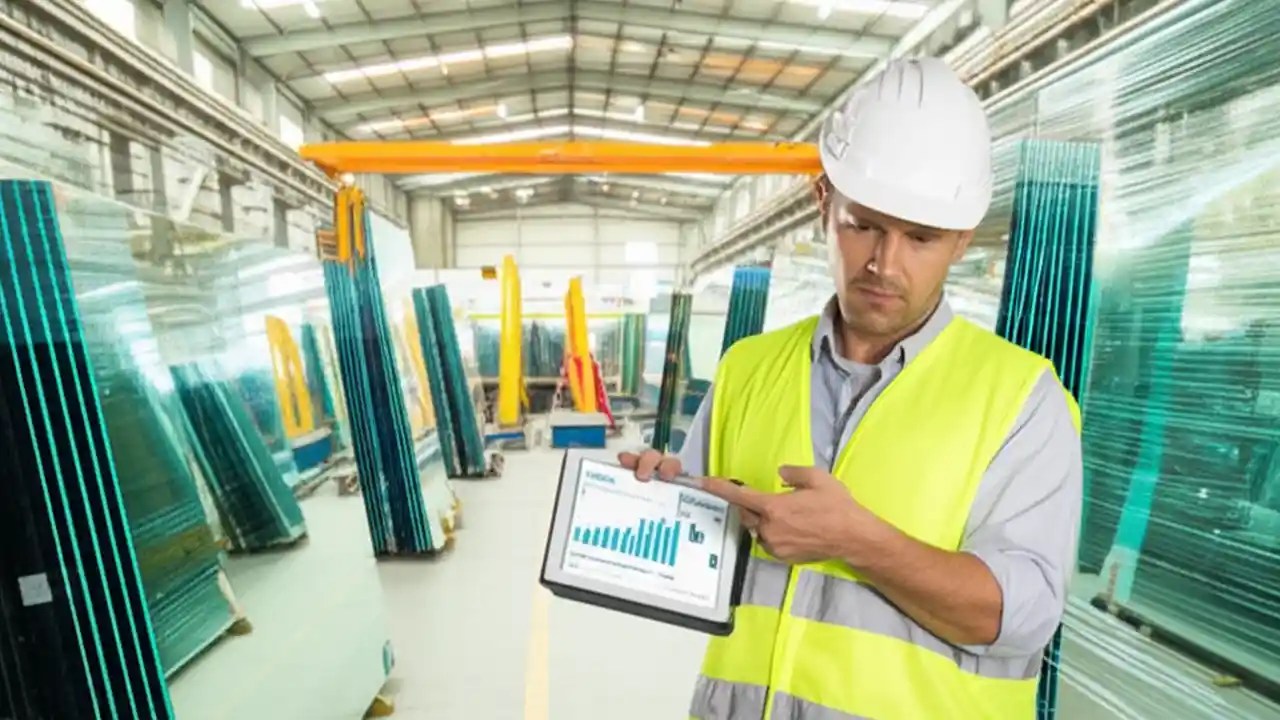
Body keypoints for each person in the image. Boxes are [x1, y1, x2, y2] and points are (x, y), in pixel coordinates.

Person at [620, 57, 1083, 720]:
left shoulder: (1021, 400)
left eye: (920, 238)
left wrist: (857, 541)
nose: (883, 264)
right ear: (822, 202)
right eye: (862, 225)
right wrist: (656, 503)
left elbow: (1020, 617)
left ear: (961, 241)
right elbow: (699, 568)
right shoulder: (747, 369)